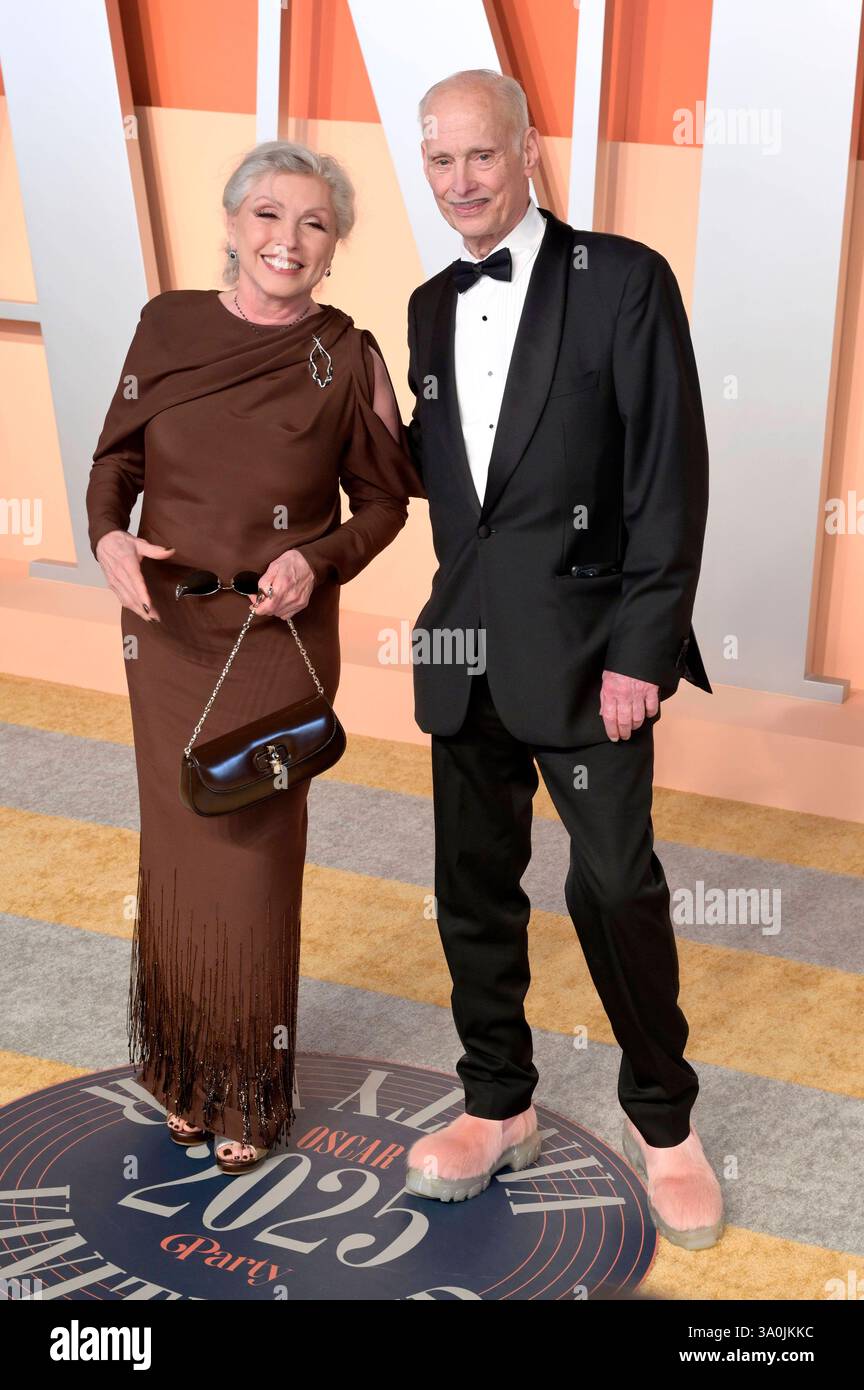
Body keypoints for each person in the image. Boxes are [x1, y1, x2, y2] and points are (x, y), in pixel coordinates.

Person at [402, 69, 724, 1249]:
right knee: (473, 891)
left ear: (528, 150)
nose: (460, 183)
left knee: (614, 885)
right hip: (464, 644)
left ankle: (668, 1121)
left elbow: (666, 479)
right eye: (439, 161)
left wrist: (643, 649)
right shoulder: (430, 304)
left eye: (480, 156)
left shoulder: (623, 281)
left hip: (594, 658)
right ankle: (498, 1101)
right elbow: (439, 474)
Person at [86, 139, 421, 1174]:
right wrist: (106, 534)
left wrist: (316, 561)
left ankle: (249, 1088)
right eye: (269, 215)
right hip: (167, 635)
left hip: (273, 642)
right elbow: (115, 461)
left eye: (314, 223)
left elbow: (386, 501)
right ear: (231, 226)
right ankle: (185, 1068)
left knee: (254, 864)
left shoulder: (345, 355)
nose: (289, 238)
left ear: (334, 249)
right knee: (179, 854)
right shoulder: (167, 324)